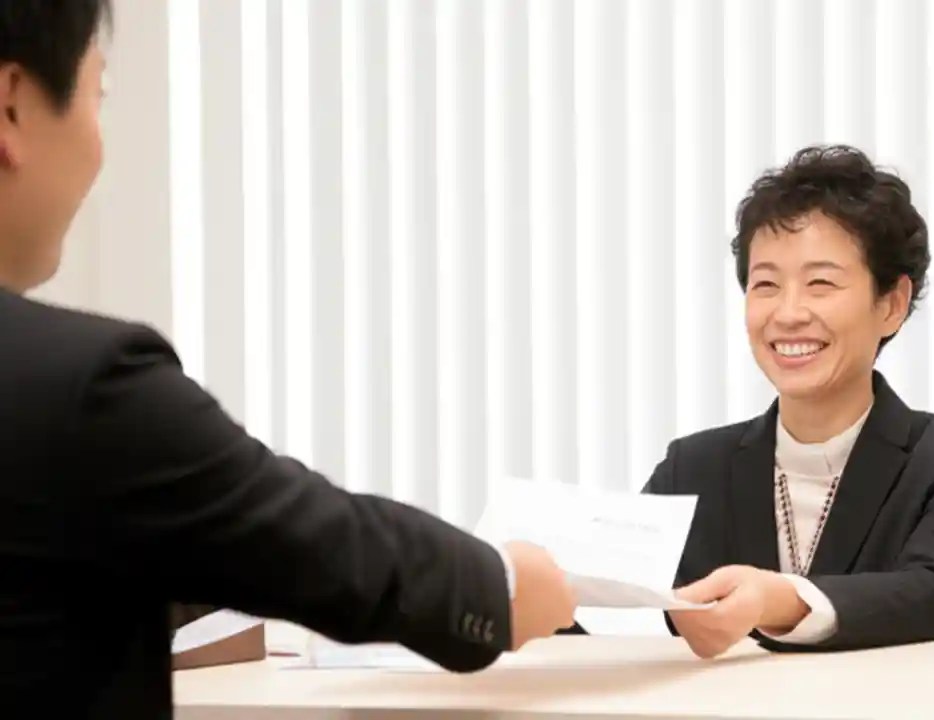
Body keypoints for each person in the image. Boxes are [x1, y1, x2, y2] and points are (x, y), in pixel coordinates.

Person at [0, 2, 576, 716]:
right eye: (99, 95)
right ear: (13, 106)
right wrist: (501, 586)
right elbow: (311, 542)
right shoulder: (83, 386)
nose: (98, 141)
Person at [647, 145, 934, 658]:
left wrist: (782, 601)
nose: (789, 313)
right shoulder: (691, 469)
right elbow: (621, 604)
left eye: (820, 283)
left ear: (890, 305)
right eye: (766, 284)